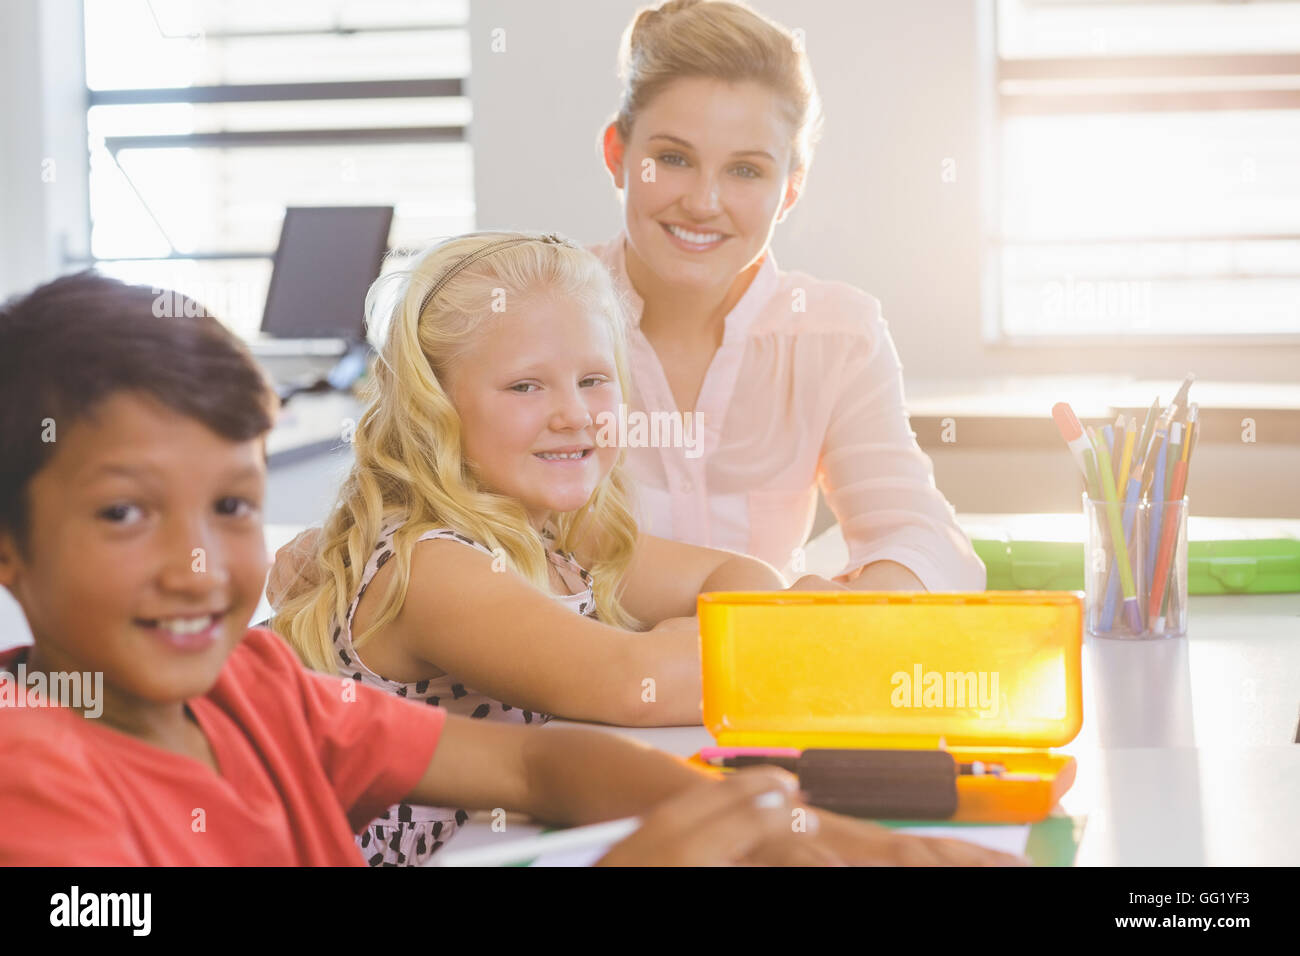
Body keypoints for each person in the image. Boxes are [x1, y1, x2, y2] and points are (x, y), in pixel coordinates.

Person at [0, 272, 1024, 868]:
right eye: (125, 511)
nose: (194, 566)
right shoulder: (29, 780)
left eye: (229, 505)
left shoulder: (256, 691)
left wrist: (800, 828)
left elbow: (535, 763)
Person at [591, 0, 984, 589]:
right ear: (619, 156)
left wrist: (855, 609)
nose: (703, 202)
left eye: (745, 170)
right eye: (673, 158)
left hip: (763, 675)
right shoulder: (535, 317)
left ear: (791, 188)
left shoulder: (837, 333)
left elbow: (925, 540)